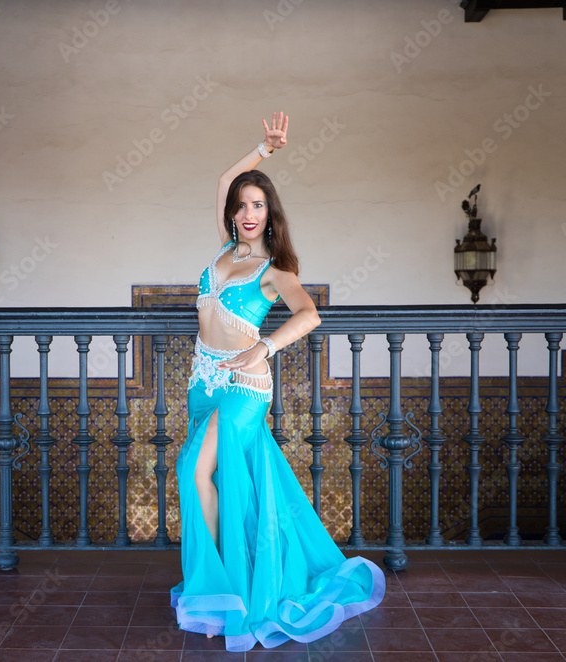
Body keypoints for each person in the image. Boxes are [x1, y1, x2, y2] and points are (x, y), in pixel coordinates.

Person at [170, 113, 386, 652]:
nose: (247, 212)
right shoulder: (223, 250)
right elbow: (223, 181)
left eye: (258, 205)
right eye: (242, 205)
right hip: (203, 381)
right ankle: (231, 586)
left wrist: (263, 347)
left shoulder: (273, 269)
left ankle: (218, 591)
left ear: (271, 215)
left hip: (244, 388)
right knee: (225, 484)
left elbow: (310, 314)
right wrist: (263, 151)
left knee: (191, 468)